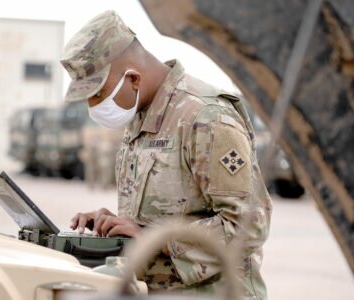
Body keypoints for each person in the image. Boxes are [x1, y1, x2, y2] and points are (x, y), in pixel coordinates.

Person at [61, 10, 272, 299]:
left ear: (132, 78)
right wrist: (116, 225)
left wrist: (153, 238)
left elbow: (249, 226)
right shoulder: (139, 117)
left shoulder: (206, 117)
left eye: (98, 93)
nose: (94, 105)